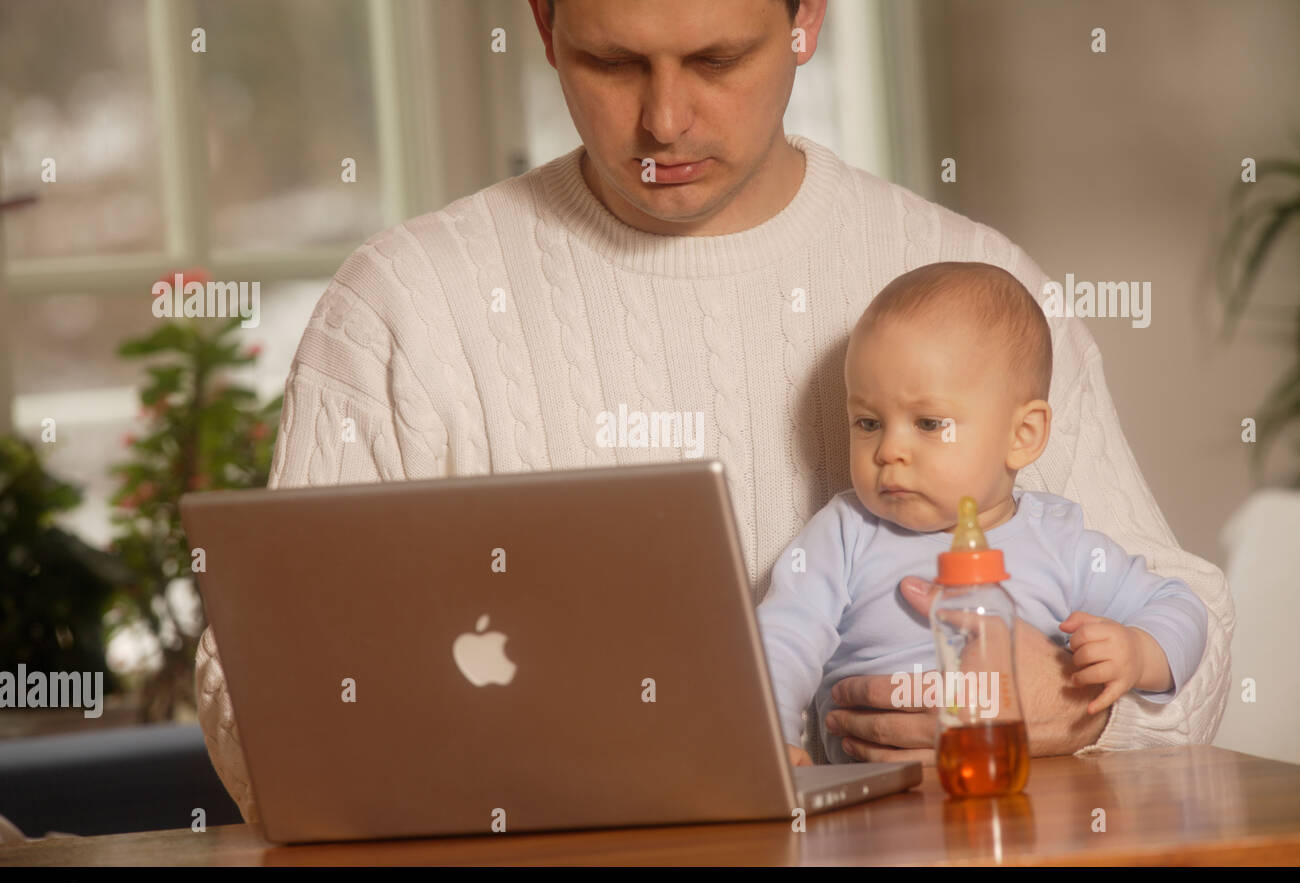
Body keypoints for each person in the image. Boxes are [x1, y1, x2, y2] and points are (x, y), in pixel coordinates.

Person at [195, 0, 1232, 824]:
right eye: (611, 62)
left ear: (806, 21)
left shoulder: (973, 284)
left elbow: (1192, 623)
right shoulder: (400, 306)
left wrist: (1079, 707)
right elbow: (252, 698)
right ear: (546, 29)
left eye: (718, 59)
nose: (665, 121)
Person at [757, 261, 1209, 766]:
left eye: (928, 423)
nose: (889, 450)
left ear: (1022, 436)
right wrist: (773, 744)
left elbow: (1181, 605)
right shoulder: (845, 534)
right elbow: (781, 641)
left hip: (1032, 802)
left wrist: (1139, 652)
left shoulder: (1060, 543)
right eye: (868, 422)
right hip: (882, 813)